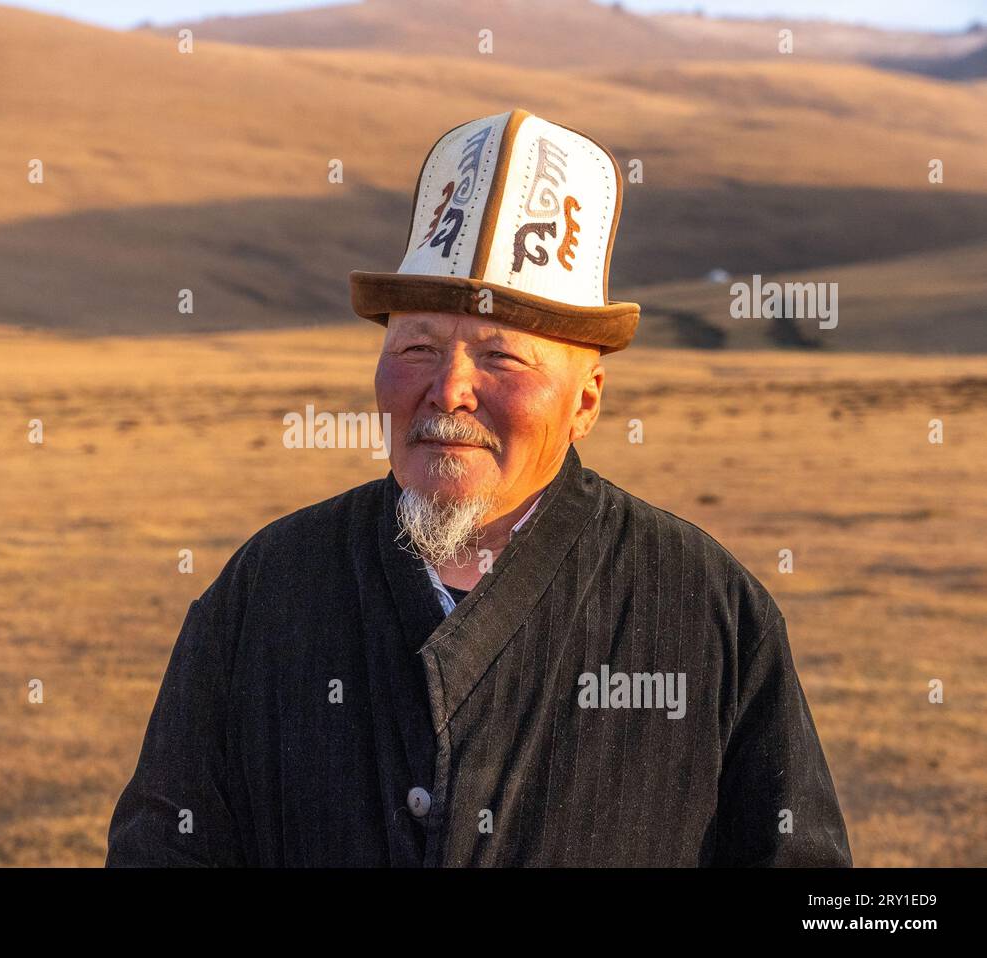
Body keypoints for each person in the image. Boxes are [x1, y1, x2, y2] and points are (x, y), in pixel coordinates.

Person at [105, 109, 851, 867]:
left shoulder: (706, 611)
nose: (449, 390)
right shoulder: (265, 593)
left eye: (501, 356)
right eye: (417, 347)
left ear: (586, 401)